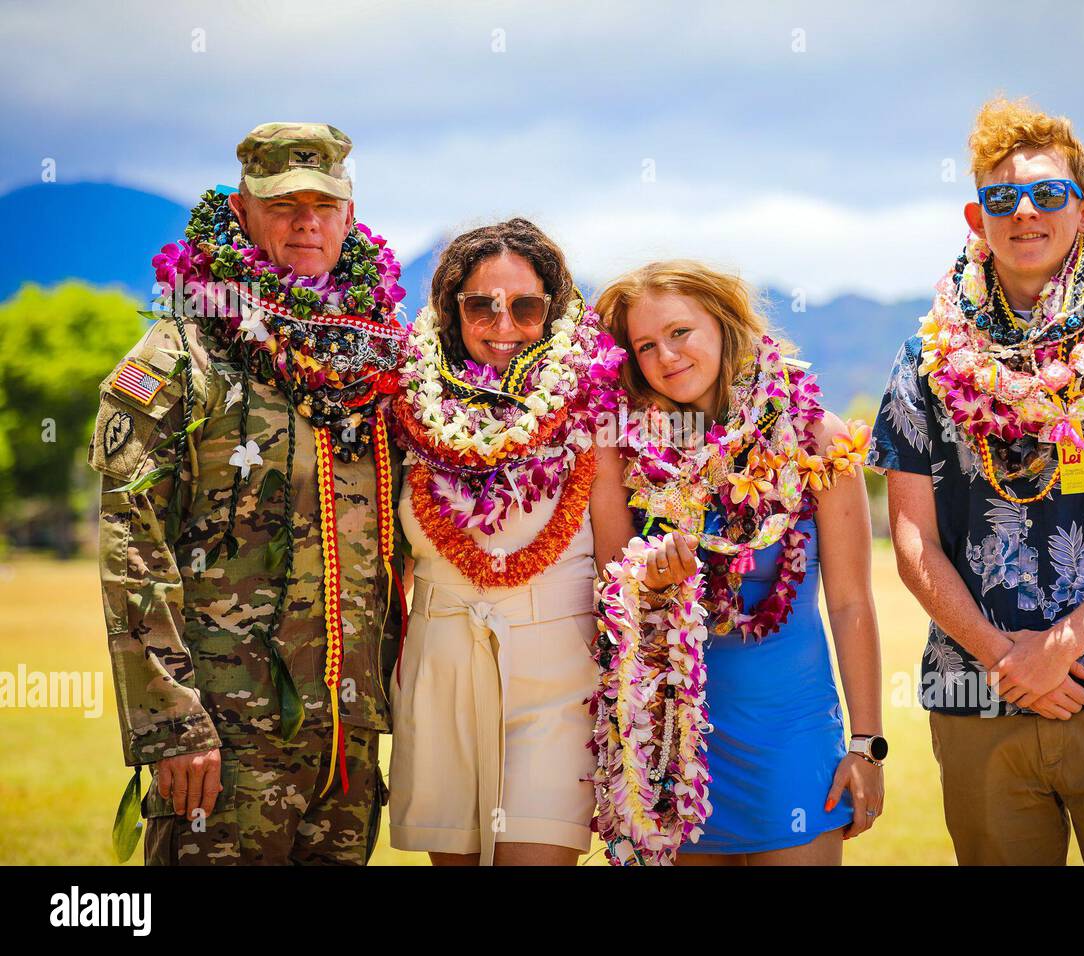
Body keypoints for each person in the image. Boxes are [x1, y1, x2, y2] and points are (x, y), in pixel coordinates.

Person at [867, 96, 1084, 865]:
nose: (1024, 211)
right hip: (975, 693)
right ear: (976, 217)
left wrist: (1060, 648)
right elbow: (911, 540)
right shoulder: (925, 357)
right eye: (1002, 197)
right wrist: (1008, 658)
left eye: (1047, 193)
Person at [88, 122, 407, 865]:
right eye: (284, 202)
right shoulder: (182, 356)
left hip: (347, 741)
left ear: (349, 217)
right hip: (224, 741)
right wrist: (172, 725)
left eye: (324, 205)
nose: (307, 220)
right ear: (240, 211)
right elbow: (132, 546)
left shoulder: (374, 362)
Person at [387, 217, 661, 866]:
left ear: (554, 309)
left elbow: (618, 566)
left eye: (525, 306)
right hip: (439, 663)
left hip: (558, 675)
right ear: (453, 309)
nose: (502, 324)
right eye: (481, 304)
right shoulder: (401, 400)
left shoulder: (593, 400)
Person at [595, 260, 886, 865]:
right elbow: (608, 591)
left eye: (680, 332)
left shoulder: (815, 439)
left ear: (725, 325)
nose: (666, 356)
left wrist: (866, 744)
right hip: (675, 740)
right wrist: (649, 583)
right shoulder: (622, 450)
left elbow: (852, 601)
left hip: (793, 731)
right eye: (646, 345)